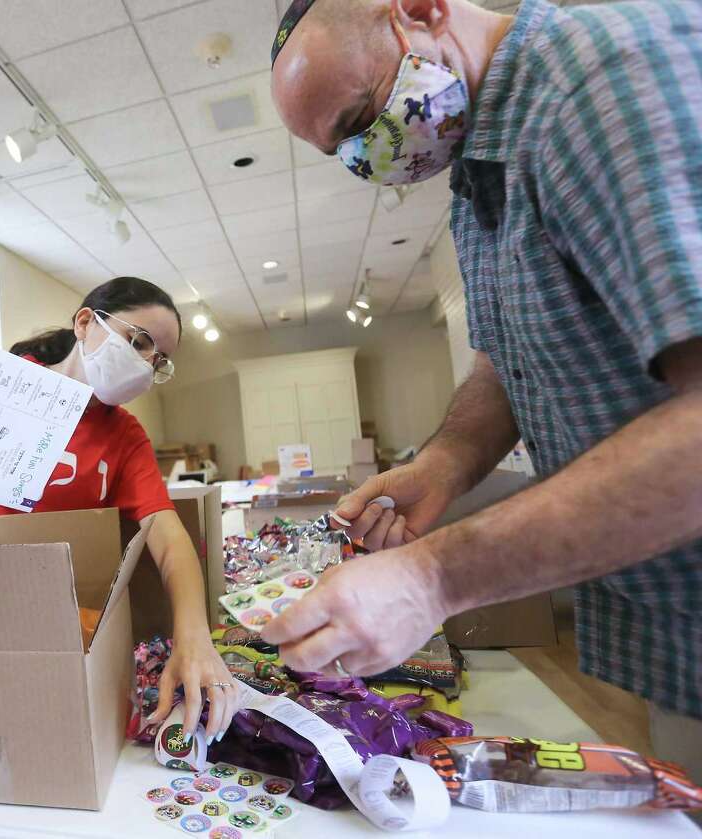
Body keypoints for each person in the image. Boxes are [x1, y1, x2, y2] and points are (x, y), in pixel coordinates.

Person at [266, 0, 702, 779]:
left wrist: (435, 575)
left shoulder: (595, 80)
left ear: (420, 12)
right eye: (344, 149)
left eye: (362, 118)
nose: (368, 157)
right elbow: (508, 358)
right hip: (677, 629)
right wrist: (445, 464)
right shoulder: (478, 170)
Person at [0, 277, 239, 743]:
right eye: (139, 342)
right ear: (86, 322)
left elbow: (169, 540)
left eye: (159, 359)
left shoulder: (123, 437)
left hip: (54, 625)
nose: (147, 363)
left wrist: (195, 636)